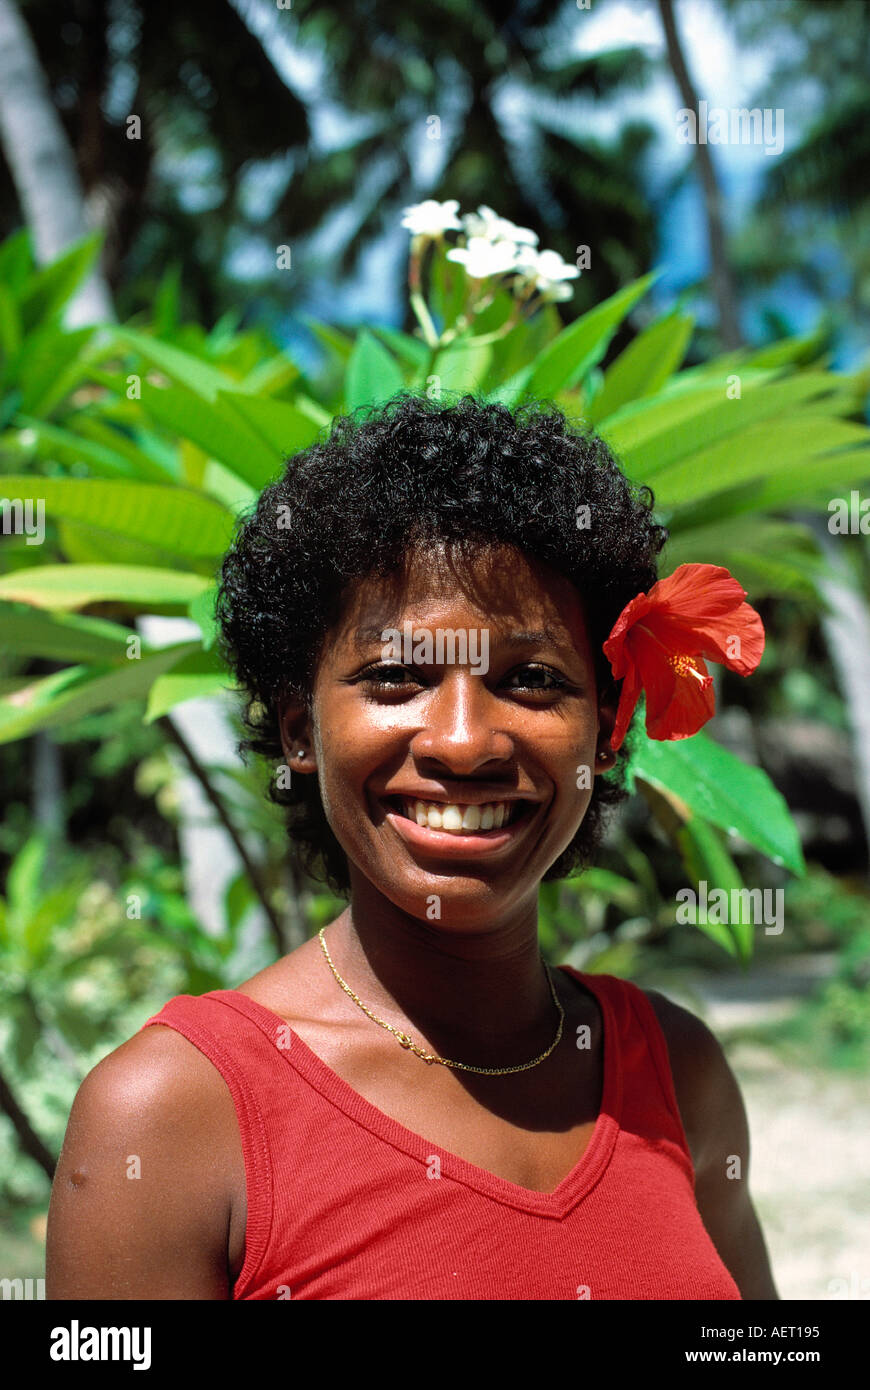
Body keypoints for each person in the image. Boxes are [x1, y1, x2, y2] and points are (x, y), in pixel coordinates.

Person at [46, 393, 778, 1300]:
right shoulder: (171, 1115)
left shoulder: (674, 1072)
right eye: (395, 676)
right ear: (299, 731)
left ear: (606, 733)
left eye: (533, 679)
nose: (464, 742)